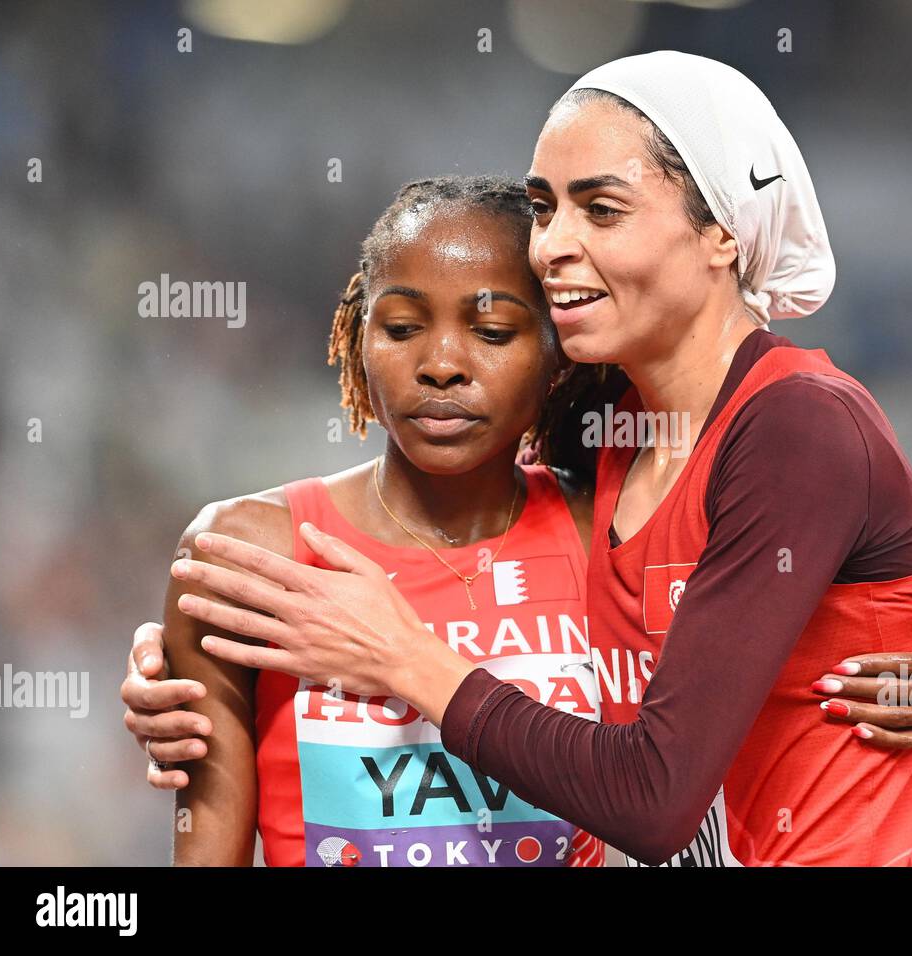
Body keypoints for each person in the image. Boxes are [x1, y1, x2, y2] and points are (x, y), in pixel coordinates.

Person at [125, 52, 912, 866]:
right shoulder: (609, 441)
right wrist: (186, 681)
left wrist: (401, 655)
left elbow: (655, 795)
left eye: (600, 210)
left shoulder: (797, 427)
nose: (552, 246)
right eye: (545, 208)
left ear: (722, 231)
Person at [157, 175, 612, 865]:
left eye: (491, 331)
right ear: (357, 336)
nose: (440, 366)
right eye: (401, 328)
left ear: (557, 354)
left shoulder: (612, 533)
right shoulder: (247, 556)